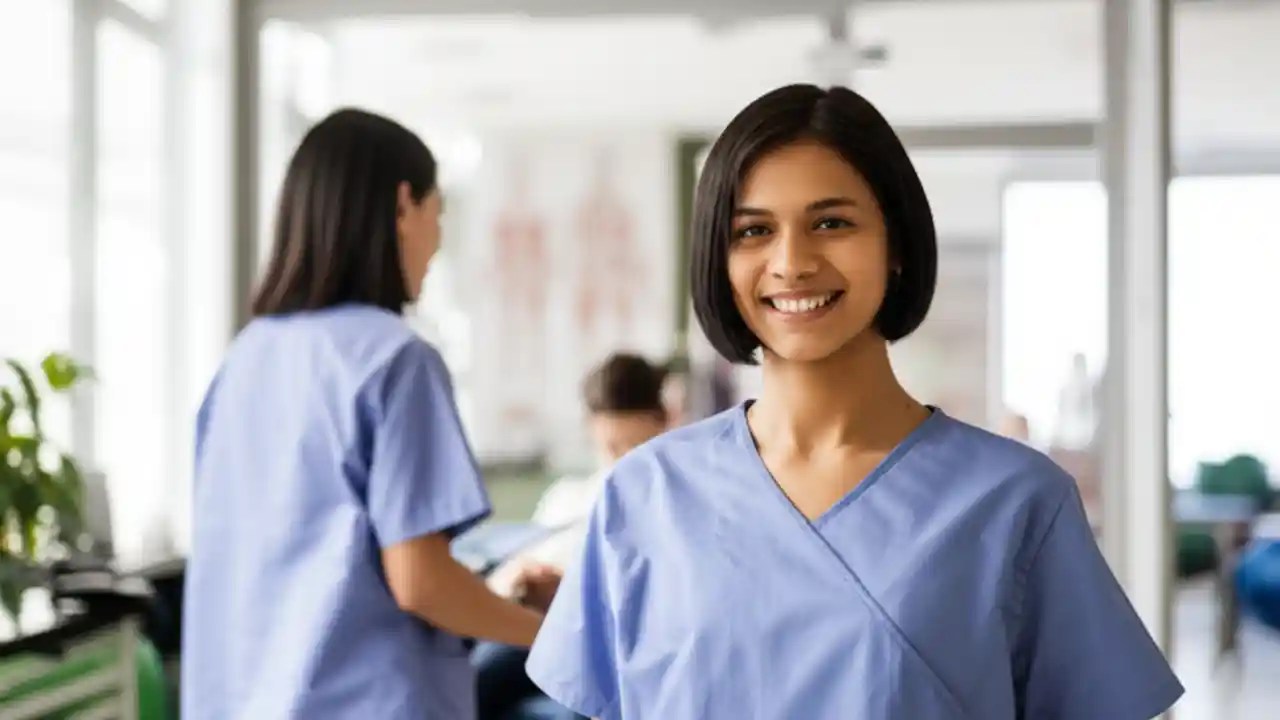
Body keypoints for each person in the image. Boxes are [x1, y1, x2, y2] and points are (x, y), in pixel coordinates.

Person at [526, 85, 1184, 719]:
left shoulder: (1014, 500)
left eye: (832, 222)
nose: (792, 262)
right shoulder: (644, 494)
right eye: (753, 231)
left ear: (894, 244)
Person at [182, 109, 557, 719]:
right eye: (439, 213)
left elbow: (322, 575)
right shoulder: (394, 359)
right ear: (404, 204)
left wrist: (487, 596)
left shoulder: (245, 359)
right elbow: (420, 583)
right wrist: (556, 638)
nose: (436, 242)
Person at [475, 353, 669, 720]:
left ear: (663, 424)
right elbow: (505, 577)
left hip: (599, 645)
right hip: (535, 632)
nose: (621, 463)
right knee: (473, 676)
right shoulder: (567, 498)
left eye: (634, 446)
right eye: (611, 447)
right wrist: (517, 584)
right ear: (591, 429)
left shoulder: (672, 507)